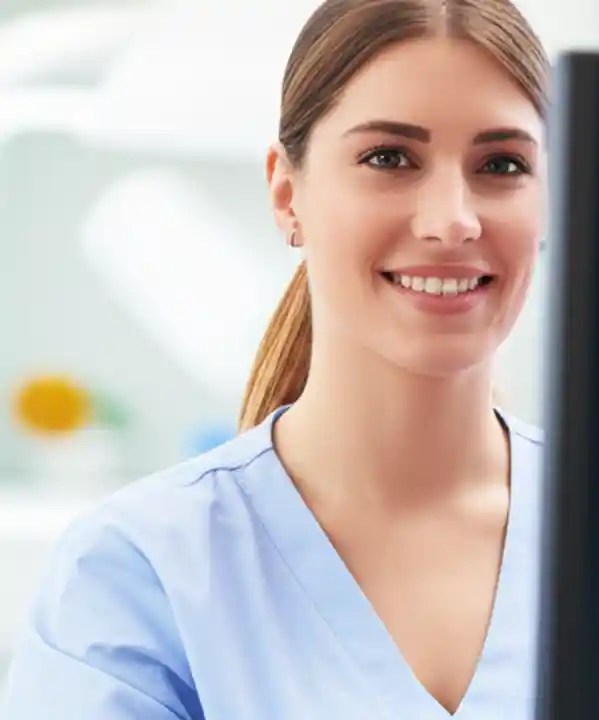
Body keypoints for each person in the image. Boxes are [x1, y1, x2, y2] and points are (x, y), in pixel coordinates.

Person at [0, 0, 550, 717]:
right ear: (287, 193)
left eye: (501, 164)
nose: (451, 219)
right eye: (389, 158)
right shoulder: (138, 573)